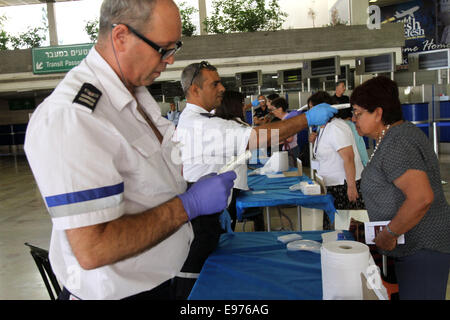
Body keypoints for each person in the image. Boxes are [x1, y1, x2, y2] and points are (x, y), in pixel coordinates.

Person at [23, 0, 238, 300]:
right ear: (121, 36)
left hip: (160, 284)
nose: (171, 60)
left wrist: (187, 190)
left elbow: (143, 183)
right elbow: (93, 248)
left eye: (175, 47)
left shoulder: (132, 96)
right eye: (163, 49)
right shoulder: (74, 116)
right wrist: (188, 206)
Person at [173, 60, 338, 297]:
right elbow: (260, 137)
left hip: (207, 214)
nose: (221, 89)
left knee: (207, 279)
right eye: (215, 84)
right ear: (194, 89)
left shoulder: (199, 122)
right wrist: (306, 120)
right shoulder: (202, 126)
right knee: (196, 284)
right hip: (199, 222)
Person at [350, 76, 450, 300]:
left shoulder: (397, 143)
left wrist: (390, 233)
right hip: (413, 247)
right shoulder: (393, 137)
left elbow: (421, 198)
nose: (354, 119)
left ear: (378, 113)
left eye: (358, 113)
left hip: (423, 247)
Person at [215, 90, 265, 232]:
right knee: (226, 226)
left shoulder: (223, 123)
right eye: (242, 104)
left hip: (230, 181)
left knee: (226, 224)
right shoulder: (236, 127)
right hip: (231, 182)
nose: (245, 107)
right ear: (234, 105)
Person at [308, 91, 365, 213]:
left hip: (343, 186)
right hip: (330, 185)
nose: (310, 114)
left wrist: (351, 187)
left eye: (312, 109)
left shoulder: (336, 127)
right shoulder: (322, 127)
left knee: (342, 226)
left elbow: (349, 158)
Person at [270, 97, 300, 167]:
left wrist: (273, 142)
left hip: (291, 151)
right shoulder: (285, 119)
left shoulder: (288, 120)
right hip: (288, 150)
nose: (272, 112)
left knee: (290, 173)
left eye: (273, 109)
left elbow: (289, 139)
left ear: (280, 109)